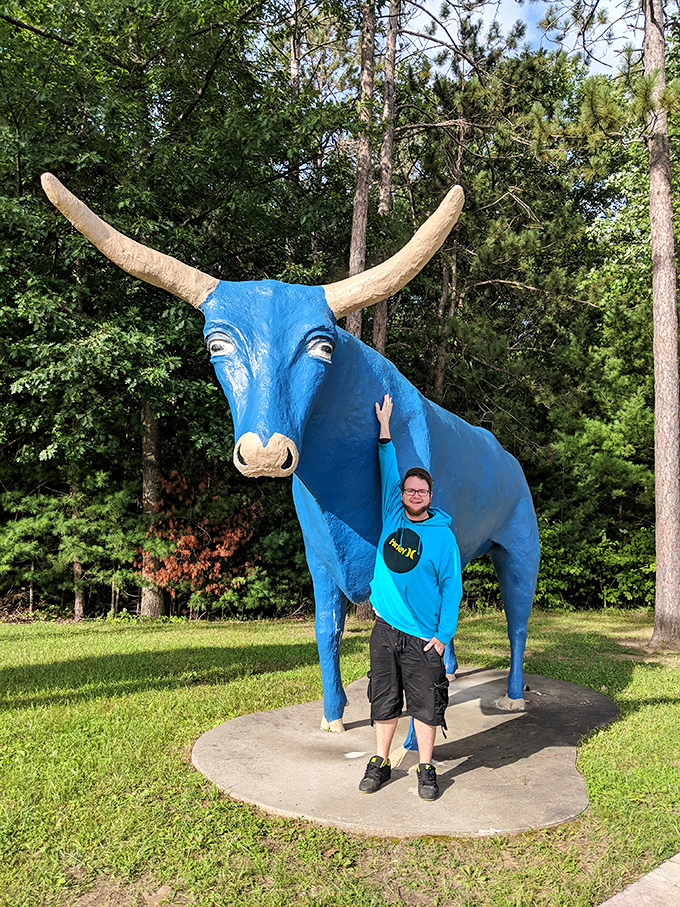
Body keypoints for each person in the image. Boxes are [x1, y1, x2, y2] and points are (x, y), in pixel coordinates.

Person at [359, 394, 462, 801]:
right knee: (383, 700)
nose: (415, 494)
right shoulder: (392, 515)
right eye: (410, 489)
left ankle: (425, 767)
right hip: (385, 630)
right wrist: (384, 429)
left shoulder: (443, 537)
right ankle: (381, 762)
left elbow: (452, 589)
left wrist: (443, 635)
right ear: (402, 493)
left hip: (423, 638)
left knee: (426, 705)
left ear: (430, 495)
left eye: (422, 490)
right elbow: (388, 467)